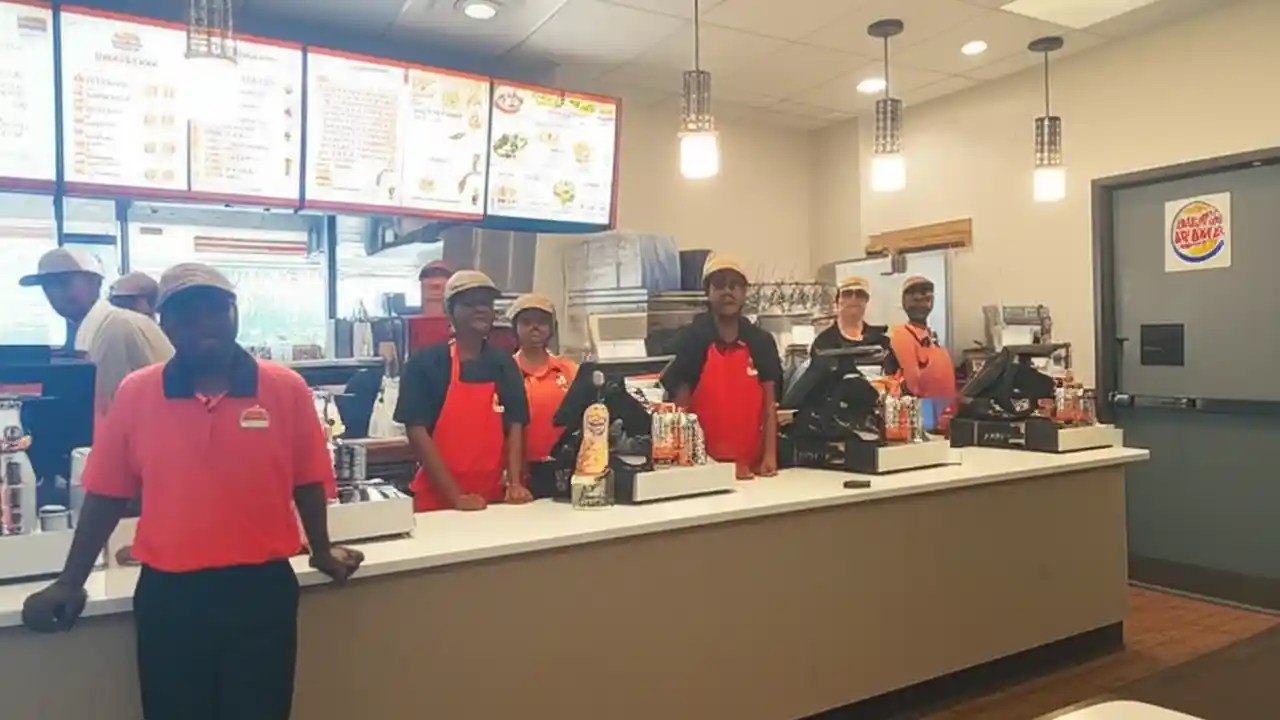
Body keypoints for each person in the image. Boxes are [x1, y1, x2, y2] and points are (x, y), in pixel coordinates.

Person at [21, 263, 363, 720]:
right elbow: (107, 493)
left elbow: (307, 481)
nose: (203, 322)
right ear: (165, 325)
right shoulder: (138, 393)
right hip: (171, 597)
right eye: (184, 313)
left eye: (215, 309)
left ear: (235, 315)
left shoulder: (285, 389)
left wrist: (321, 550)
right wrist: (70, 581)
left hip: (260, 593)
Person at [395, 270, 532, 511]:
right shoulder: (426, 364)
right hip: (437, 501)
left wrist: (514, 483)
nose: (481, 309)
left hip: (493, 500)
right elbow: (417, 433)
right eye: (470, 303)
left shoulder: (504, 364)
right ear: (450, 311)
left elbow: (515, 425)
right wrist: (455, 496)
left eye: (486, 303)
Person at [661, 255, 783, 480]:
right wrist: (697, 466)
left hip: (754, 471)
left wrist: (770, 456)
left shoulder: (761, 342)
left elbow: (769, 406)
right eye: (719, 285)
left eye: (734, 285)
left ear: (744, 292)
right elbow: (681, 411)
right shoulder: (690, 340)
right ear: (707, 292)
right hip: (702, 470)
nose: (728, 291)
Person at [20, 248, 172, 415]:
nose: (54, 293)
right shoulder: (90, 329)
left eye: (63, 282)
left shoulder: (118, 327)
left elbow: (110, 409)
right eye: (47, 286)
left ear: (95, 282)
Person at [511, 293, 578, 498]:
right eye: (526, 322)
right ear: (515, 328)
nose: (535, 327)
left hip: (565, 469)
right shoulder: (505, 370)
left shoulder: (568, 369)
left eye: (541, 322)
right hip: (520, 474)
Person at [889, 275, 957, 404]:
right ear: (904, 302)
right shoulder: (903, 334)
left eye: (924, 292)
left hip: (944, 415)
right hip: (924, 417)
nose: (919, 298)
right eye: (913, 294)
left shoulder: (932, 337)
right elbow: (912, 386)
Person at [810, 276, 890, 355]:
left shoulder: (881, 342)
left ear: (866, 301)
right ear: (837, 302)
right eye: (847, 294)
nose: (854, 298)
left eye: (860, 294)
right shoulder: (823, 343)